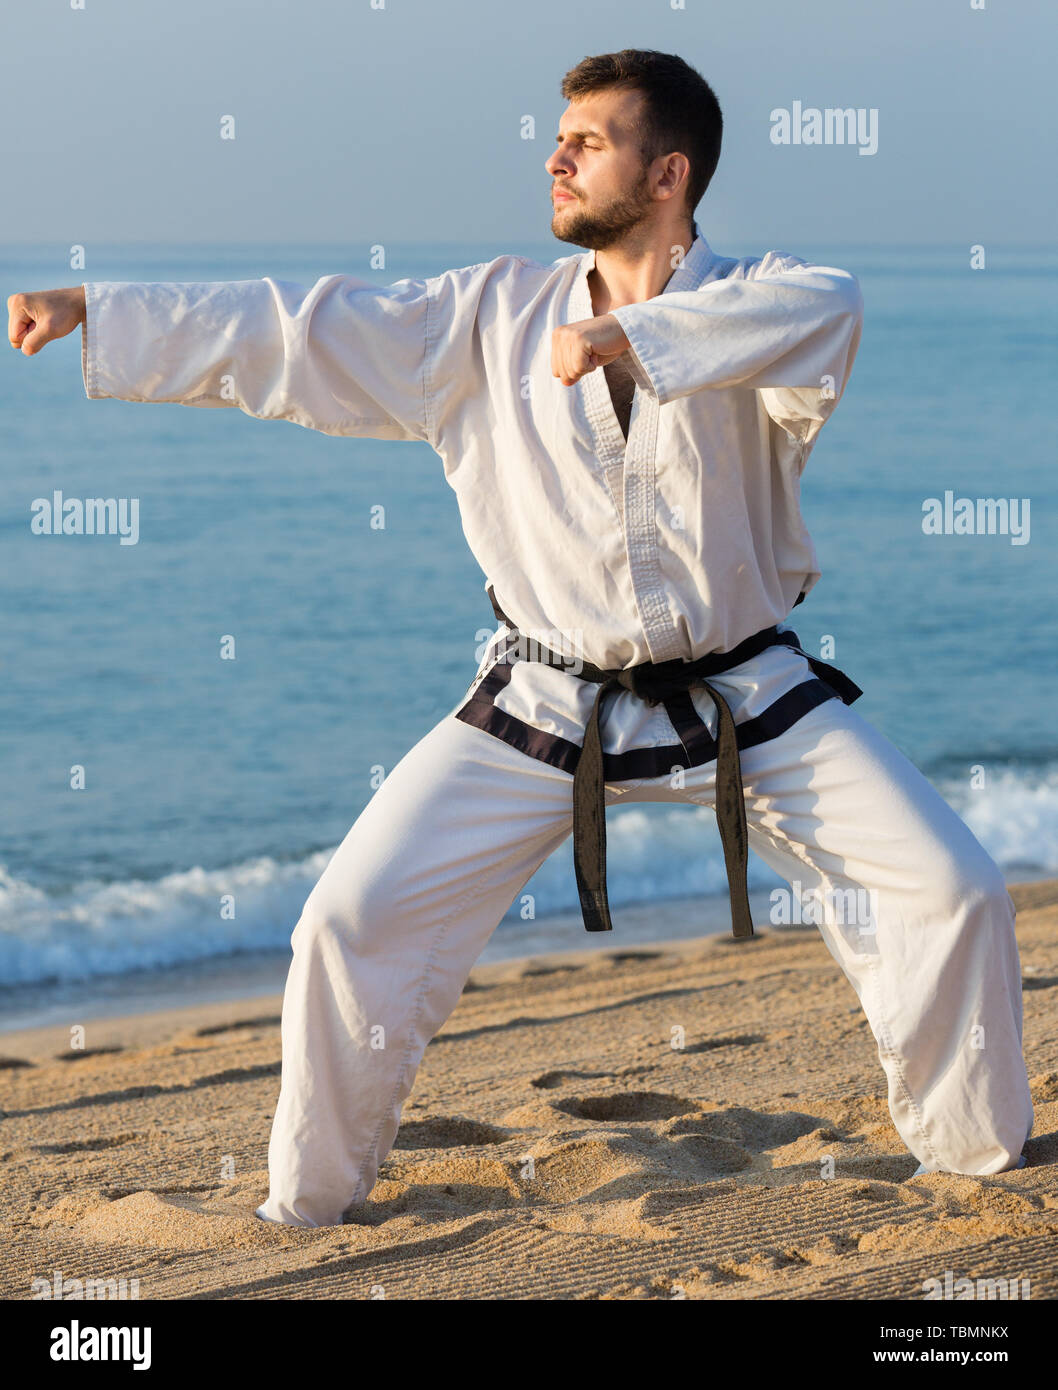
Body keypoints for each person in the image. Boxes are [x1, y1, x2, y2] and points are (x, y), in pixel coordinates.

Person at [8, 49, 1032, 1228]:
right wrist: (106, 312)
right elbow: (300, 332)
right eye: (556, 135)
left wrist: (630, 339)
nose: (553, 155)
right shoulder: (483, 316)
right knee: (348, 923)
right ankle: (309, 1206)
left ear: (667, 174)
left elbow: (826, 308)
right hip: (540, 704)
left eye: (586, 139)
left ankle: (976, 1171)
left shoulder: (767, 296)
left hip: (750, 693)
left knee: (951, 890)